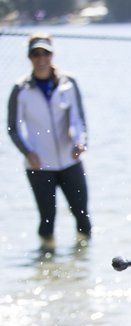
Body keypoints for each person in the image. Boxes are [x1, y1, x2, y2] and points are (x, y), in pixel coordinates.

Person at [7, 34, 91, 251]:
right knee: (47, 219)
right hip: (39, 166)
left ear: (52, 55)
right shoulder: (21, 89)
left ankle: (83, 266)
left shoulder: (69, 83)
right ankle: (47, 266)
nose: (41, 58)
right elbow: (13, 128)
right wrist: (27, 152)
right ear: (29, 57)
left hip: (70, 161)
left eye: (45, 53)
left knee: (82, 216)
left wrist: (81, 143)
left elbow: (80, 120)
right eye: (36, 54)